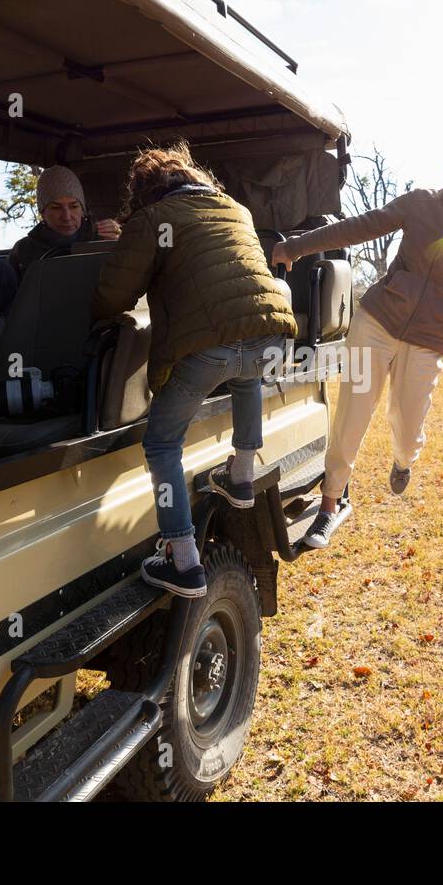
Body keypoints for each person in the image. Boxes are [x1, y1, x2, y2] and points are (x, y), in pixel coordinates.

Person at [270, 133, 443, 549]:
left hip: (427, 342)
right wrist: (297, 247)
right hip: (377, 322)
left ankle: (404, 461)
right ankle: (329, 506)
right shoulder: (420, 203)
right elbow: (357, 228)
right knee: (352, 415)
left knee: (407, 427)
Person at [90, 141, 296, 598]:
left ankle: (183, 562)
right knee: (246, 377)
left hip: (209, 348)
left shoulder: (151, 219)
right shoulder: (235, 209)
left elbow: (112, 298)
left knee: (163, 443)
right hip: (271, 337)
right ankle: (242, 476)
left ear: (145, 191)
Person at [0, 165, 121, 376]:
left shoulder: (102, 238)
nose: (67, 216)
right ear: (43, 212)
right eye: (56, 207)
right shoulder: (25, 249)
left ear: (83, 208)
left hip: (77, 321)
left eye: (74, 206)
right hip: (25, 328)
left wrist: (121, 242)